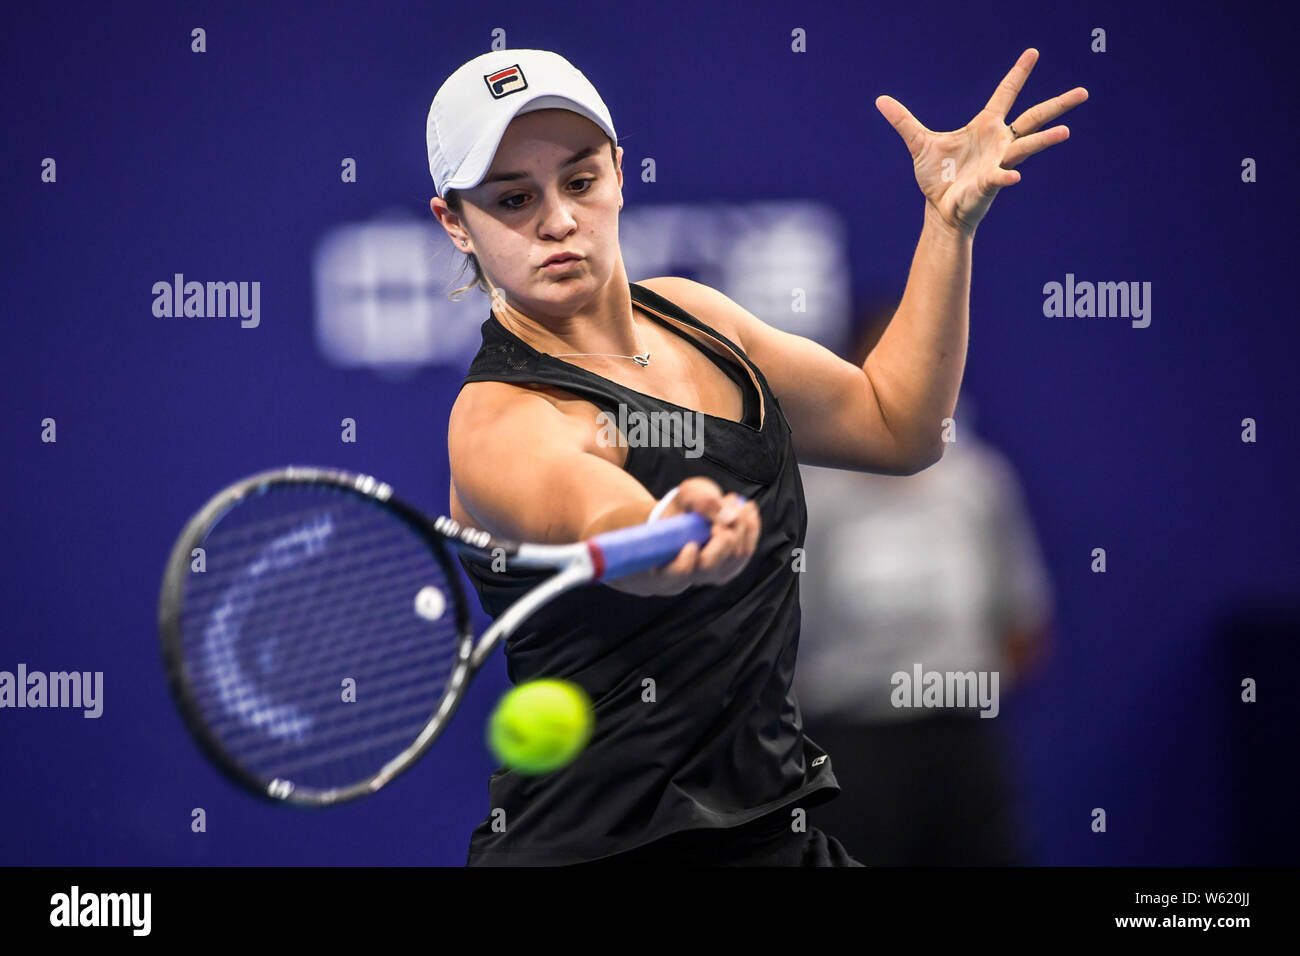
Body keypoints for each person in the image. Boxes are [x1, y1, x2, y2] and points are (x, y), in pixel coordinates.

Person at [425, 47, 1085, 866]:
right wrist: (666, 527)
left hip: (772, 826)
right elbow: (597, 514)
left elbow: (900, 425)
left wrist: (947, 226)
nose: (557, 220)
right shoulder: (499, 416)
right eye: (513, 199)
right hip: (599, 852)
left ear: (620, 174)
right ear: (455, 222)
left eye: (580, 180)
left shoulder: (698, 317)